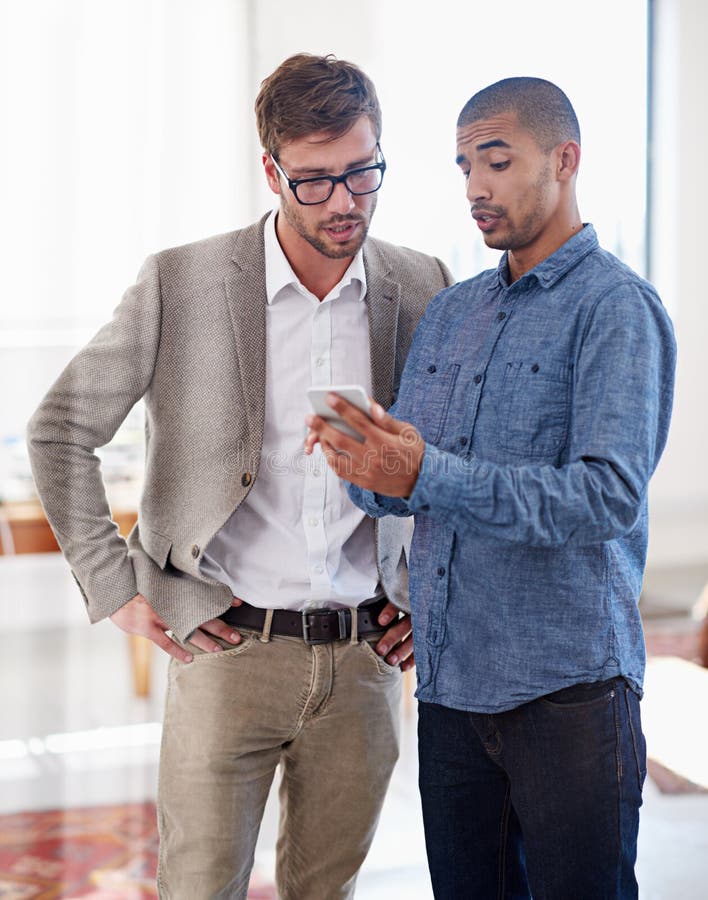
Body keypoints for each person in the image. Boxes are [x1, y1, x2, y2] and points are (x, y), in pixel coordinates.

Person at [27, 53, 452, 899]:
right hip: (225, 650)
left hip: (367, 662)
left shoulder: (424, 284)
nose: (344, 201)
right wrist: (114, 585)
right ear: (270, 170)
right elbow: (60, 428)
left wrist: (434, 600)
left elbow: (447, 469)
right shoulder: (179, 283)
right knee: (197, 888)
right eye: (315, 181)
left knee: (325, 891)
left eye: (363, 173)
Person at [305, 76, 677, 899]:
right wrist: (363, 464)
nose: (476, 186)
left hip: (569, 697)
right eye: (465, 165)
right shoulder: (453, 313)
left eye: (498, 162)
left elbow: (606, 497)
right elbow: (412, 487)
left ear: (565, 160)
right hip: (448, 695)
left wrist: (424, 470)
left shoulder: (617, 309)